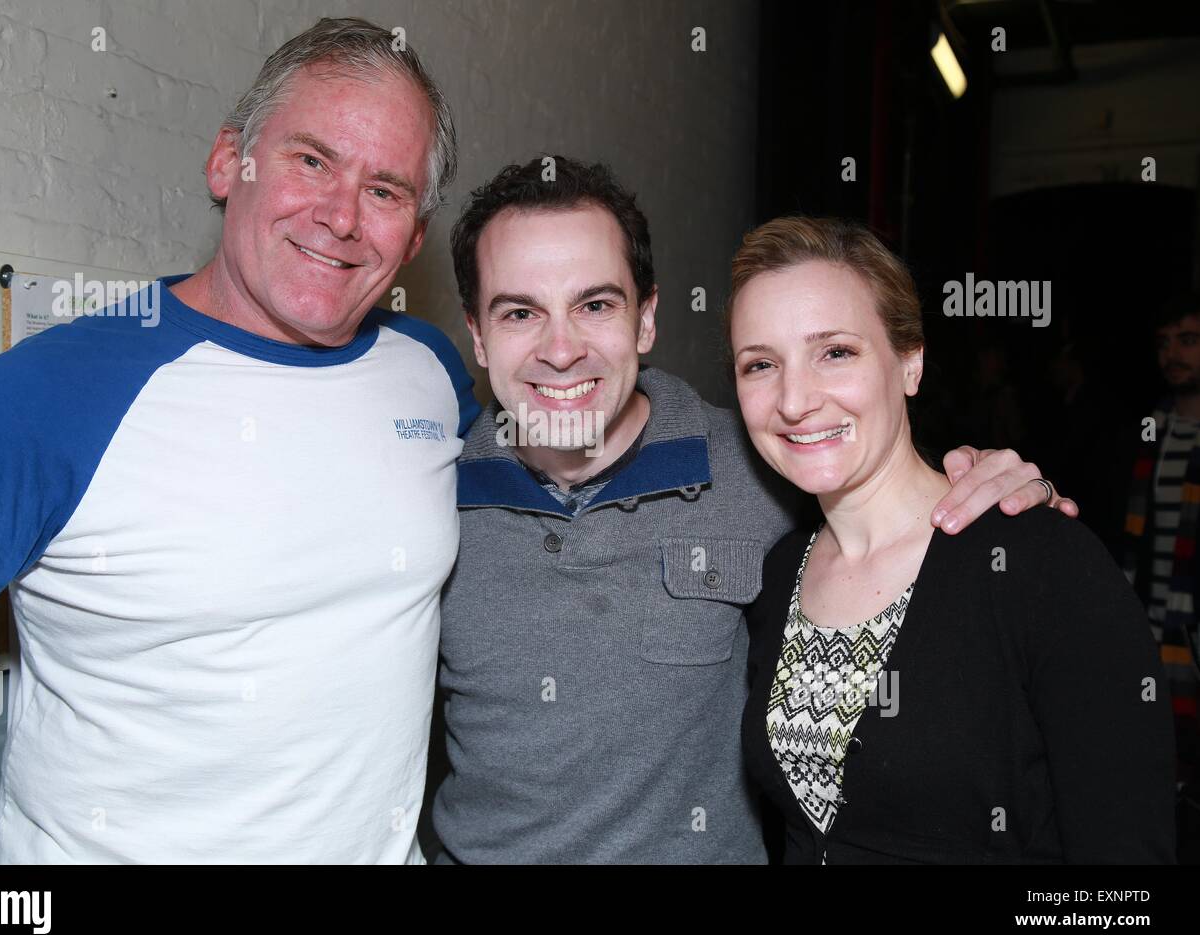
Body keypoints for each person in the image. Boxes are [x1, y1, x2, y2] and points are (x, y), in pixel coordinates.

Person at [0, 18, 476, 863]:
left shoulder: (429, 372)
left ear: (413, 238)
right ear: (226, 162)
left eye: (385, 190)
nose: (341, 216)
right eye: (311, 160)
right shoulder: (52, 396)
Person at [431, 158, 1076, 863]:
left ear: (646, 319)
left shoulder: (764, 464)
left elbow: (886, 488)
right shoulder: (424, 495)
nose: (561, 349)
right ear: (478, 334)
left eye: (595, 305)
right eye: (521, 312)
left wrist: (1010, 495)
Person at [731, 216, 1175, 863]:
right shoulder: (777, 576)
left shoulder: (1041, 563)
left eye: (835, 352)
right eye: (761, 364)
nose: (794, 400)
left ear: (910, 363)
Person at [1122, 291, 1200, 786]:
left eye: (1188, 341)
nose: (1172, 354)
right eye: (1164, 343)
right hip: (1155, 627)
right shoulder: (1154, 426)